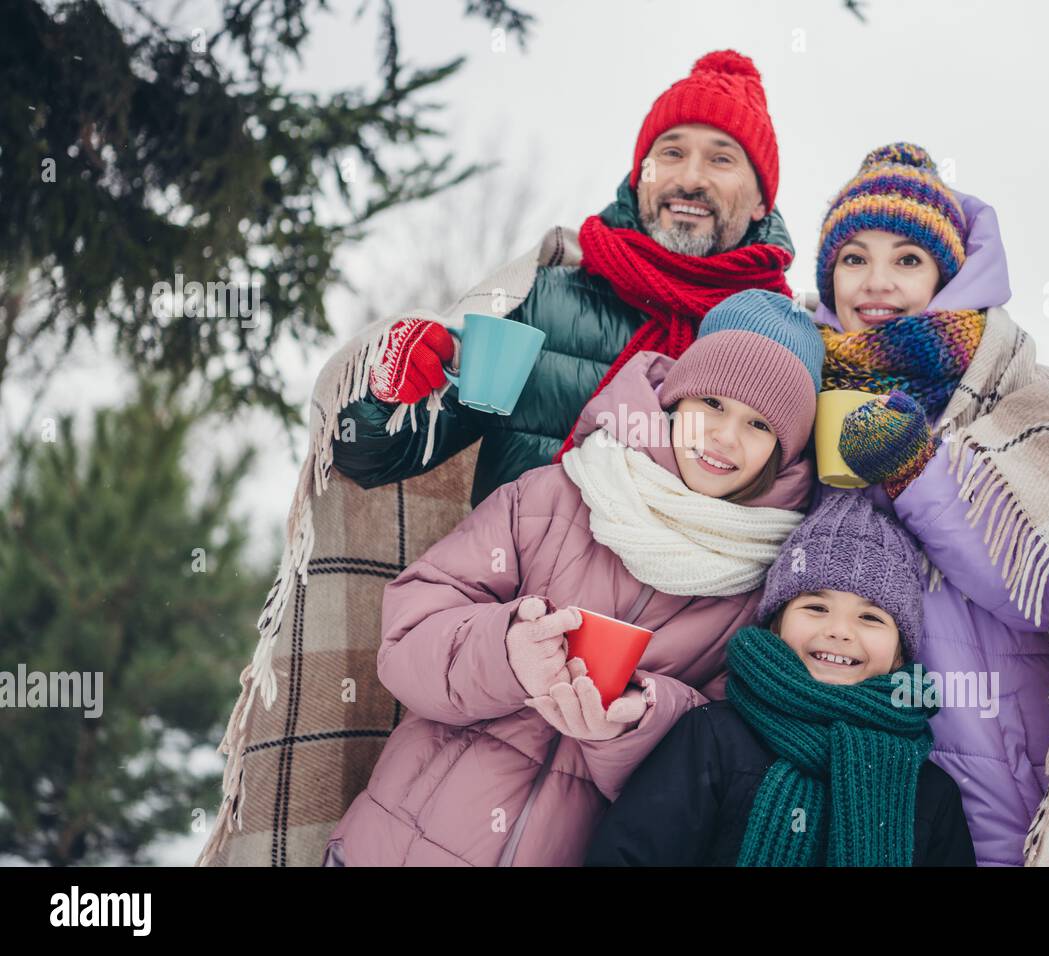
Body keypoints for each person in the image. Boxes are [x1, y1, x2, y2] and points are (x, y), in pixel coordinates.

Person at [321, 289, 824, 865]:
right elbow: (408, 639)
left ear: (785, 454)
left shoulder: (766, 588)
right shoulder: (555, 496)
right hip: (395, 846)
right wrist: (506, 651)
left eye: (758, 424)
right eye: (711, 402)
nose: (724, 437)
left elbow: (729, 750)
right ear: (671, 402)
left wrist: (640, 717)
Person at [804, 142, 1049, 865]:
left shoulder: (1023, 396)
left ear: (949, 276)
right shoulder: (800, 379)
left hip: (989, 779)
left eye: (908, 260)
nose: (876, 282)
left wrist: (915, 473)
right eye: (853, 258)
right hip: (837, 766)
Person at [331, 50, 797, 506]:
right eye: (671, 152)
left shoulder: (790, 344)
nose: (691, 178)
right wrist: (387, 393)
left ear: (761, 200)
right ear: (640, 176)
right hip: (518, 578)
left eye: (721, 160)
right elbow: (371, 461)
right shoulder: (542, 302)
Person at [585, 490, 976, 866]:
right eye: (816, 606)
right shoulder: (715, 739)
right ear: (776, 625)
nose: (840, 630)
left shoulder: (929, 793)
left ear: (899, 656)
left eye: (870, 617)